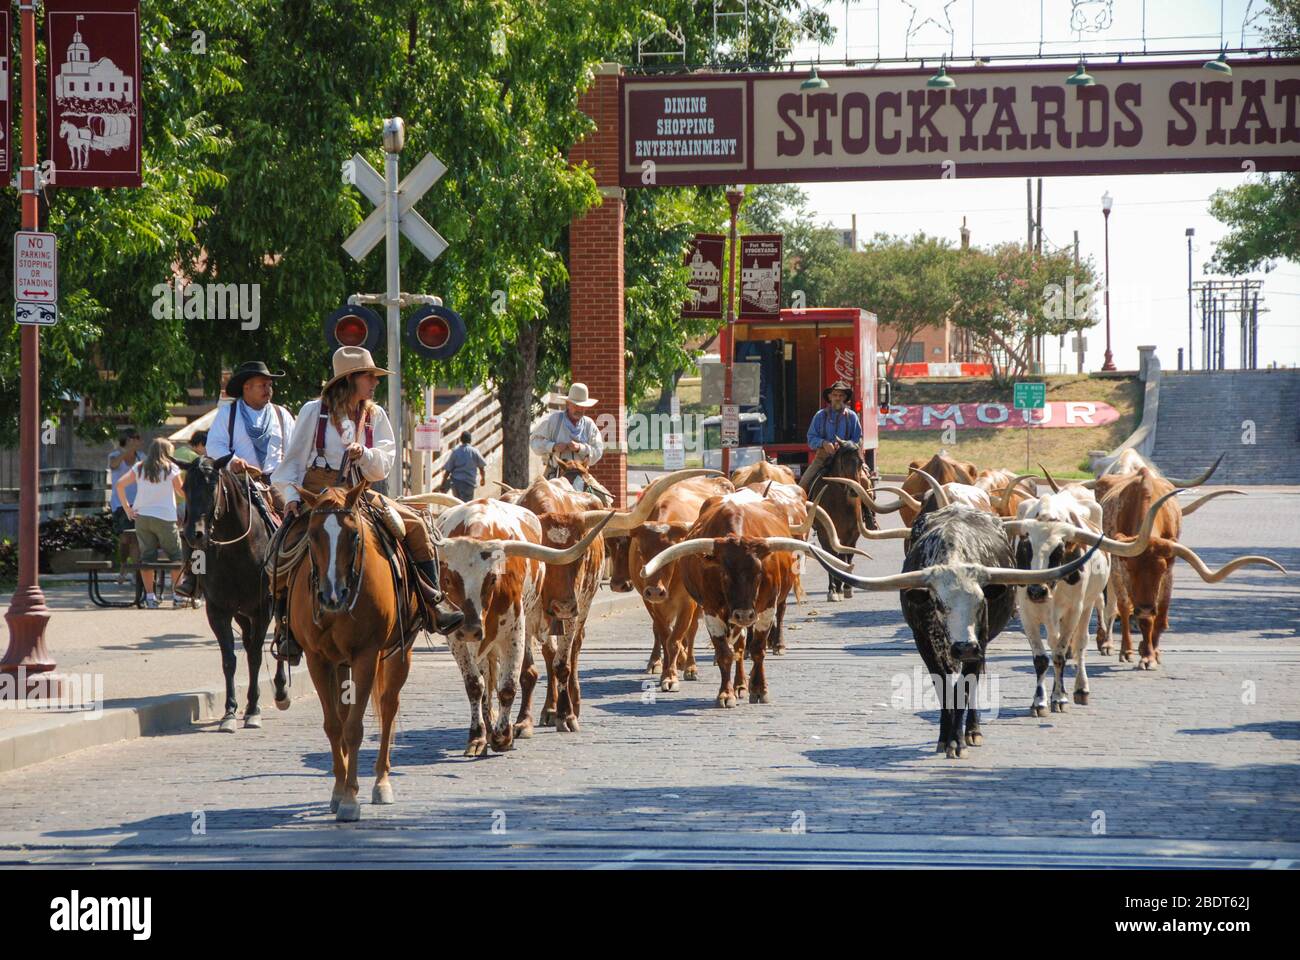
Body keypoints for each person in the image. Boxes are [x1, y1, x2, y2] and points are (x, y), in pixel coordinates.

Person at [272, 346, 464, 663]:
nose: (375, 382)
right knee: (278, 550)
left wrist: (366, 454)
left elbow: (384, 464)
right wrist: (292, 499)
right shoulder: (313, 412)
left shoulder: (375, 415)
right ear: (349, 380)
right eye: (369, 376)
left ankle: (433, 602)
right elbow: (291, 464)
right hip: (318, 497)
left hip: (359, 494)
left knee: (414, 526)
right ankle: (285, 627)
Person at [175, 362, 295, 599]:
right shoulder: (227, 414)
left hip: (274, 483)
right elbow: (215, 445)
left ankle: (297, 576)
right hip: (236, 482)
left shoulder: (283, 415)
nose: (268, 389)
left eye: (270, 384)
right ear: (246, 387)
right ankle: (193, 574)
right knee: (199, 515)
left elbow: (293, 450)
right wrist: (233, 462)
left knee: (297, 520)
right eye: (263, 384)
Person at [115, 438, 186, 609]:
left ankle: (150, 597)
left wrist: (127, 509)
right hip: (165, 517)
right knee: (176, 558)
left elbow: (119, 485)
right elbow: (181, 492)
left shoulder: (140, 467)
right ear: (166, 452)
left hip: (142, 517)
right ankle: (177, 596)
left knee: (147, 558)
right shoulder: (171, 468)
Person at [529, 383, 607, 500]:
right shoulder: (553, 420)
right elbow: (534, 442)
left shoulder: (589, 425)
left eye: (582, 406)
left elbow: (598, 451)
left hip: (582, 475)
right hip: (555, 473)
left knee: (604, 499)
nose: (579, 409)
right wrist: (553, 446)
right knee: (536, 500)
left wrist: (581, 448)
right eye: (576, 405)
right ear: (568, 404)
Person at [798, 380, 864, 493]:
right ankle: (805, 510)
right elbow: (811, 438)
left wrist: (846, 446)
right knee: (802, 486)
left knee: (866, 484)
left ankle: (867, 510)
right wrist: (823, 443)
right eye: (835, 395)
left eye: (841, 395)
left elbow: (858, 439)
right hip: (823, 459)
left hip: (848, 461)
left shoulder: (852, 417)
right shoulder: (820, 416)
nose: (837, 398)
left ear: (845, 398)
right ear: (830, 397)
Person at [108, 428, 142, 578]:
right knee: (124, 539)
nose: (136, 441)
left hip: (138, 504)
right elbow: (113, 465)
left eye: (137, 438)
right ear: (126, 440)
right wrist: (126, 451)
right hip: (120, 504)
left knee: (135, 538)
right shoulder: (114, 455)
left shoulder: (143, 457)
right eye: (133, 438)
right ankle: (123, 566)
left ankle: (135, 573)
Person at [438, 431, 486, 502]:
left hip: (456, 483)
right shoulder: (474, 452)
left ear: (461, 440)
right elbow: (481, 467)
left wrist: (443, 483)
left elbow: (448, 470)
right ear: (470, 440)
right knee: (466, 505)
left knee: (457, 504)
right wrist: (483, 478)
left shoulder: (455, 452)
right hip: (468, 483)